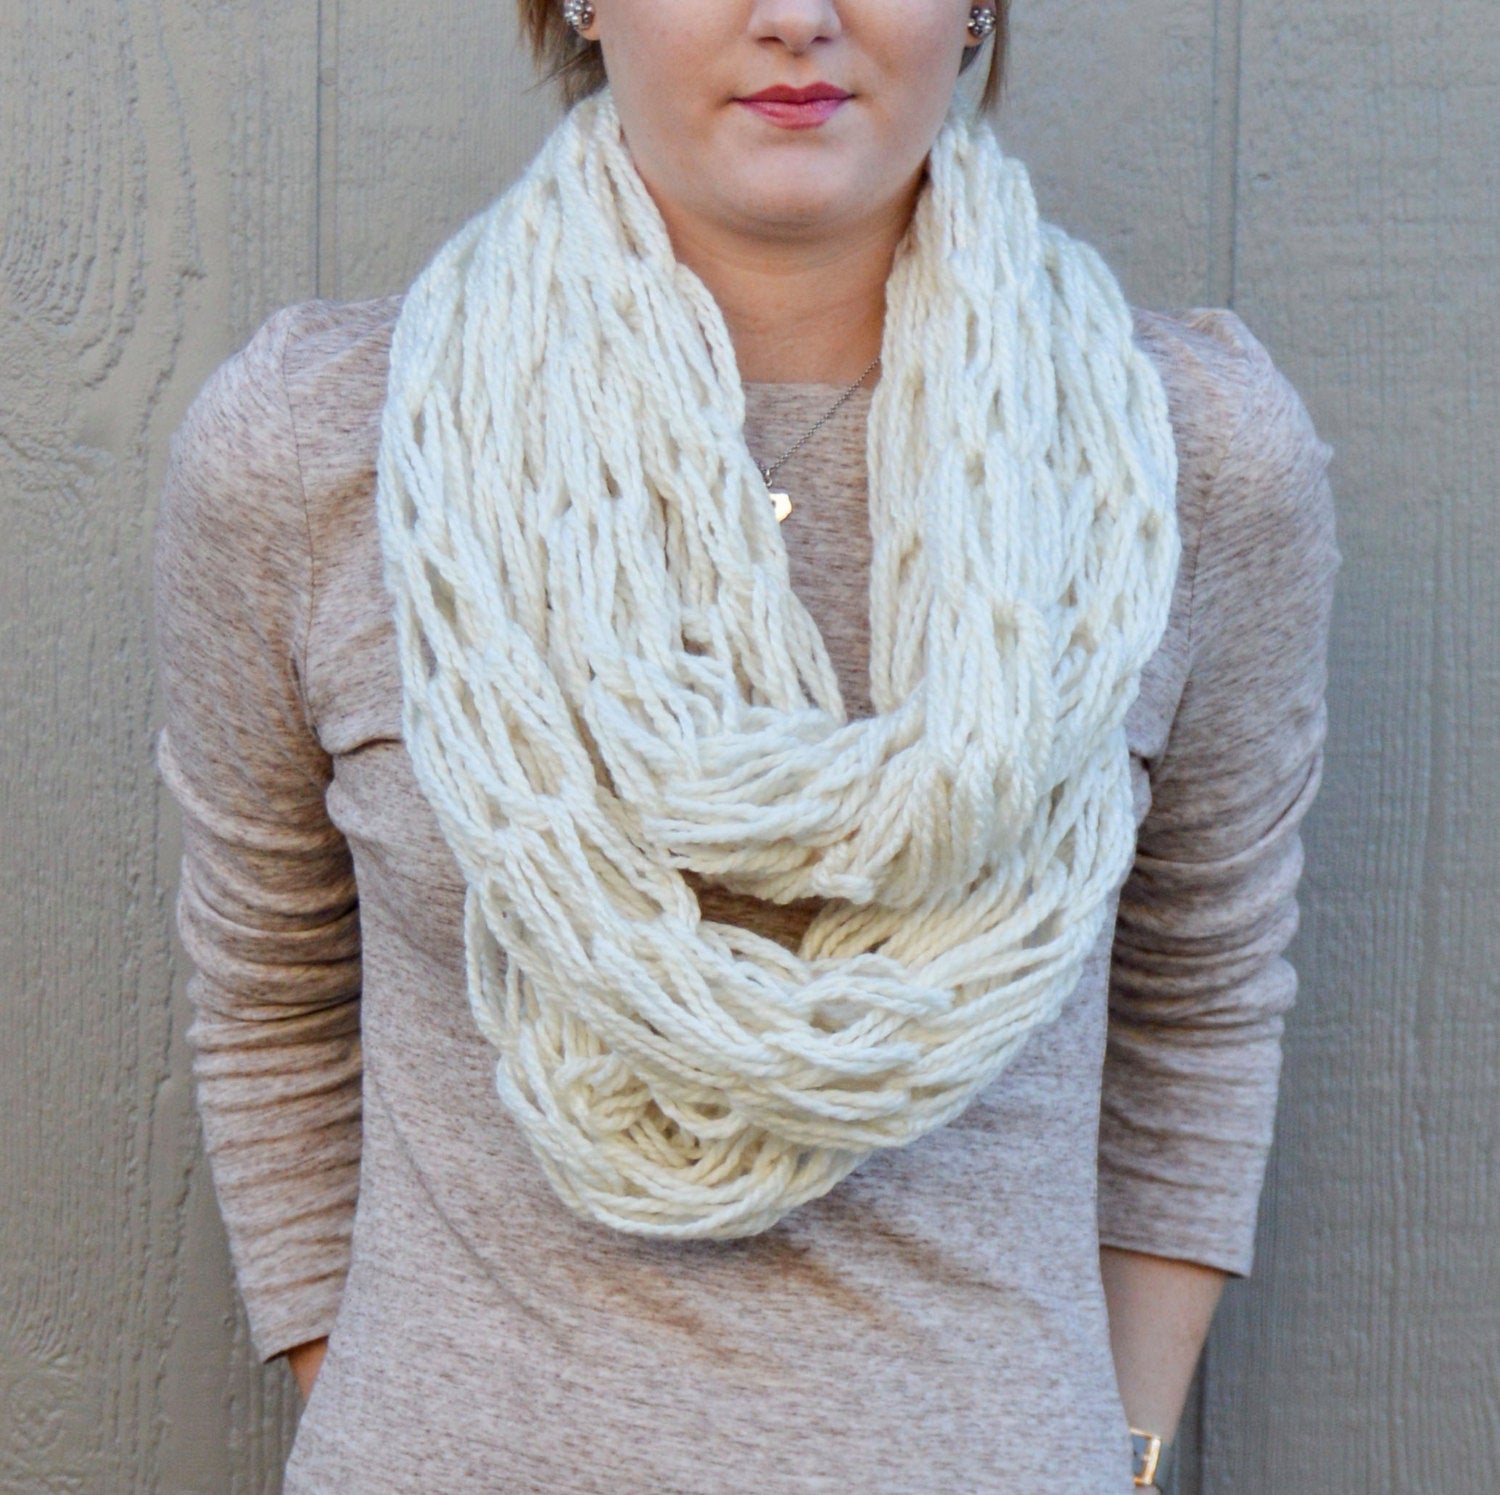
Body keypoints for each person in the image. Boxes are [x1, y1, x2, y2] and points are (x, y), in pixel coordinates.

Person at [151, 2, 1339, 1490]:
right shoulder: (318, 449)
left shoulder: (1184, 464)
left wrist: (1122, 1450)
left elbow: (1200, 1005)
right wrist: (407, 1425)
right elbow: (271, 1000)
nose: (795, 18)